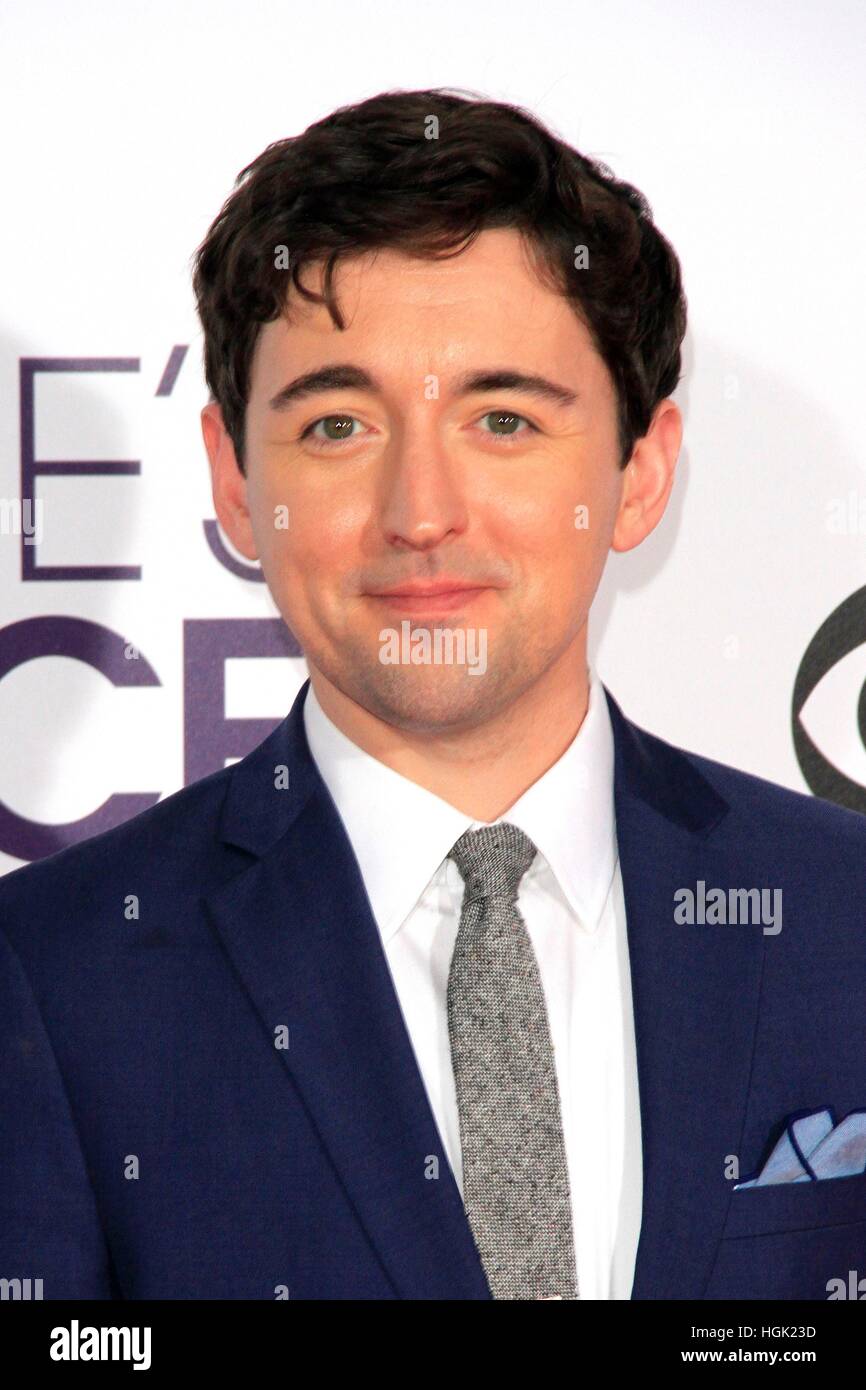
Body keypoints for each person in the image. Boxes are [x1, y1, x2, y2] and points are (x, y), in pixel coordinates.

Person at [2, 88, 865, 1302]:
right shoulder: (50, 974)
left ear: (638, 471)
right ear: (237, 483)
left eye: (502, 418)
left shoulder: (842, 916)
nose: (420, 511)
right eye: (339, 424)